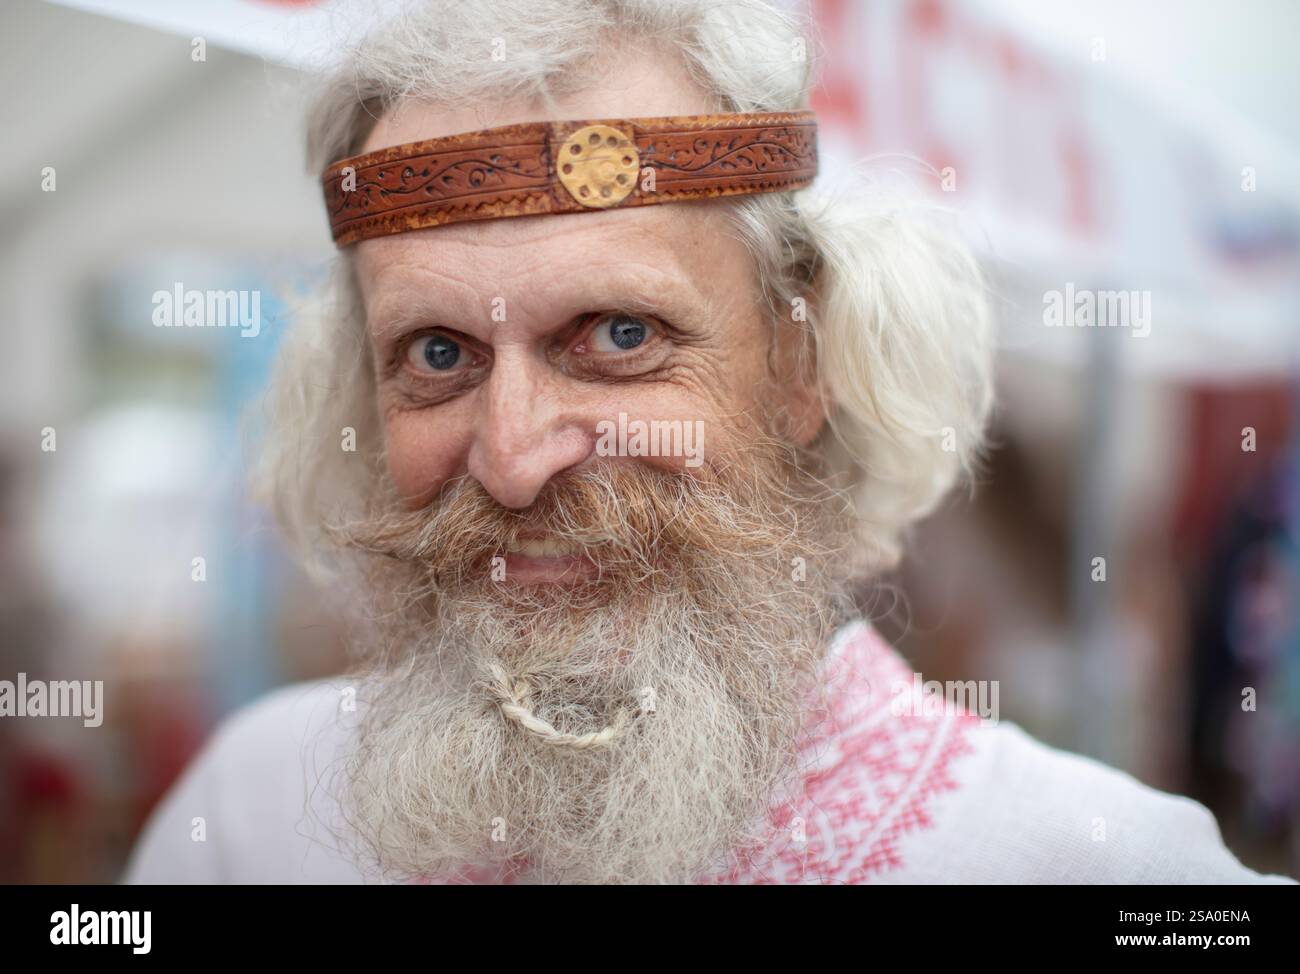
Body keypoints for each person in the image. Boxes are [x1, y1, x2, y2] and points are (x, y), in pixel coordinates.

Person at [126, 0, 1293, 884]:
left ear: (800, 363)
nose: (513, 455)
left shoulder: (1105, 868)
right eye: (437, 353)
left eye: (619, 334)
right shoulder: (253, 814)